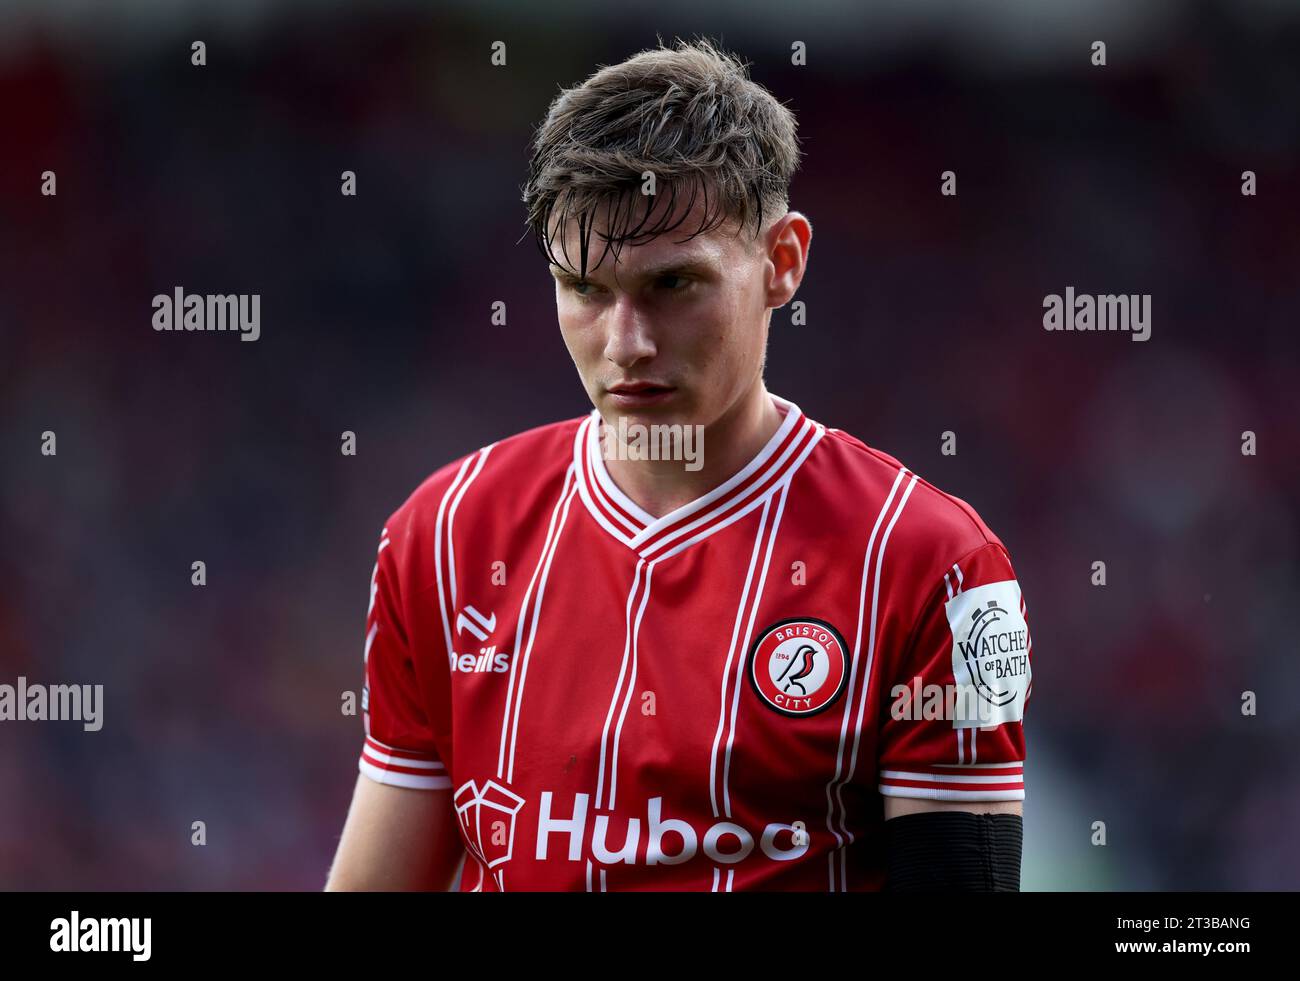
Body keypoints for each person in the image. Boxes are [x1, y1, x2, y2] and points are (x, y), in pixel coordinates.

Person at [326, 37, 1031, 892]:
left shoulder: (936, 568)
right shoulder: (443, 537)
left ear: (782, 262)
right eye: (585, 289)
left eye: (673, 286)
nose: (626, 344)